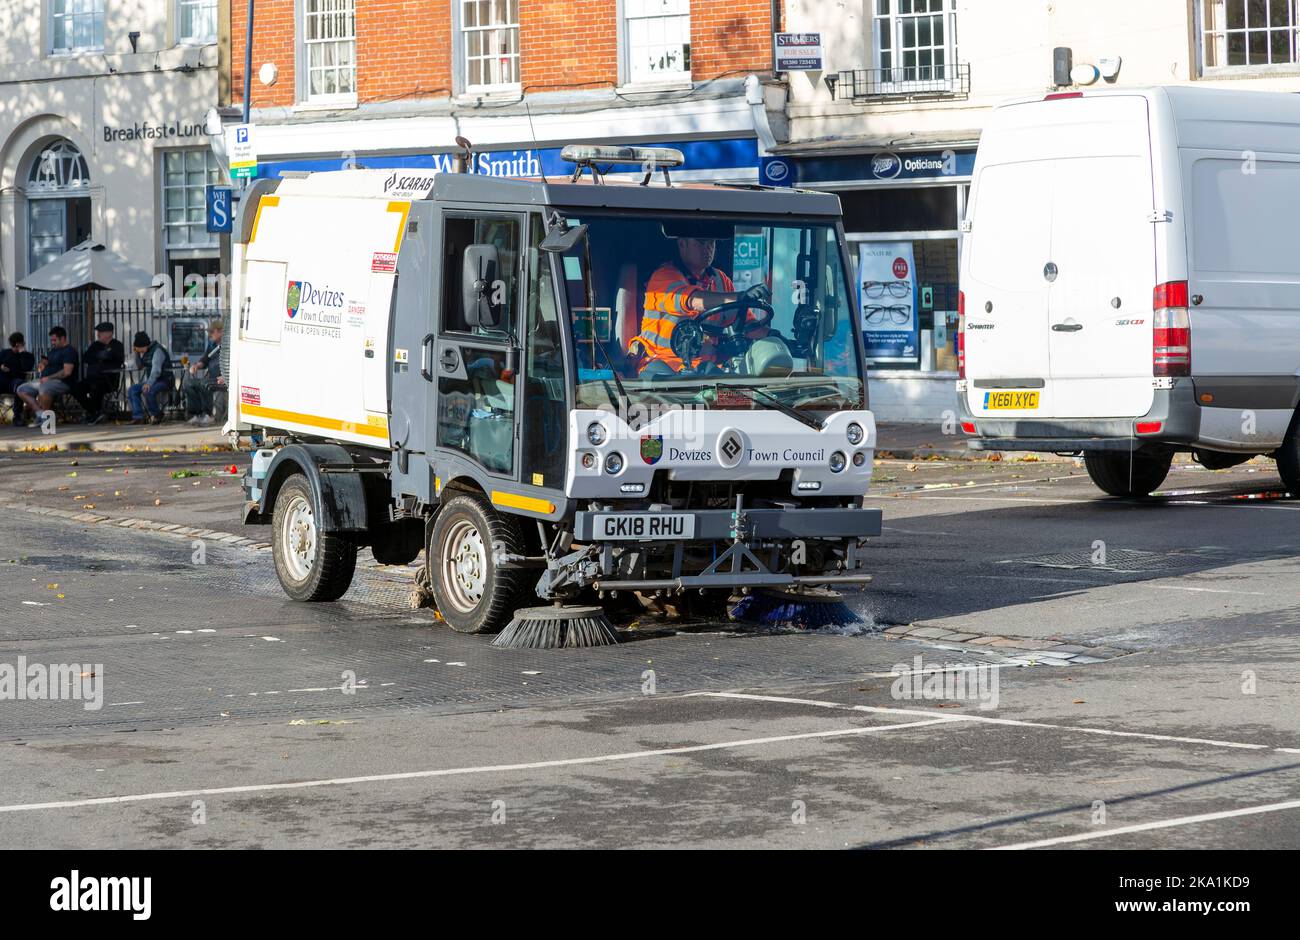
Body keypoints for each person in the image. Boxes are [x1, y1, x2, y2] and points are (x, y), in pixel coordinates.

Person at [631, 235, 771, 375]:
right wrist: (740, 297)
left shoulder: (720, 280)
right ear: (682, 244)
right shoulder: (663, 277)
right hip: (661, 367)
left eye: (712, 242)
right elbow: (693, 300)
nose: (708, 248)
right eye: (701, 242)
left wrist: (773, 336)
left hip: (706, 371)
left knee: (740, 388)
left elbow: (748, 325)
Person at [14, 326, 79, 428]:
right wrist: (43, 364)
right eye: (51, 340)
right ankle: (41, 415)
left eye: (54, 340)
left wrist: (49, 378)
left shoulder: (69, 351)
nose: (52, 343)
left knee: (45, 388)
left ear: (62, 338)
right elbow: (46, 361)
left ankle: (46, 418)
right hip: (45, 380)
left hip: (63, 382)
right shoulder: (54, 350)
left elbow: (67, 372)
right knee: (21, 389)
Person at [73, 322, 125, 425]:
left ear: (108, 333)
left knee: (96, 387)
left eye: (100, 332)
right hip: (92, 378)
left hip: (108, 380)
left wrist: (100, 357)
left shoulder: (117, 345)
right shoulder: (96, 345)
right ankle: (94, 412)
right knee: (76, 388)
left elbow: (113, 358)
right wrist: (101, 357)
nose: (98, 335)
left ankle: (94, 414)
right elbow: (86, 357)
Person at [126, 331, 174, 425]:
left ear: (144, 345)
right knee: (132, 390)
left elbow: (156, 370)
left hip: (164, 380)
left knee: (148, 390)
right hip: (152, 381)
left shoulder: (157, 350)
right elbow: (140, 366)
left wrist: (149, 383)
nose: (140, 351)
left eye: (139, 349)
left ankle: (157, 415)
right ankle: (138, 417)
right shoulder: (146, 351)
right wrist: (136, 354)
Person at [183, 321, 225, 426]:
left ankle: (208, 415)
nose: (209, 335)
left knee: (204, 384)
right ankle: (196, 415)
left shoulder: (229, 345)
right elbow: (205, 359)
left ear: (220, 332)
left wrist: (226, 376)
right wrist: (196, 366)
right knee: (188, 383)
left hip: (223, 379)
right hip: (212, 377)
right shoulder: (212, 345)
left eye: (212, 332)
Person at [0, 332, 36, 426]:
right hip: (2, 380)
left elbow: (26, 367)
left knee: (20, 386)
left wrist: (22, 353)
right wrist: (1, 367)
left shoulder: (28, 356)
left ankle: (17, 416)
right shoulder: (4, 353)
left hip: (15, 381)